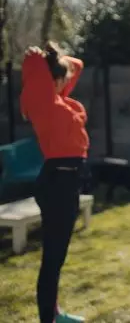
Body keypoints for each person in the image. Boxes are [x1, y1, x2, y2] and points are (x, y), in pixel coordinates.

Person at [20, 43, 88, 323]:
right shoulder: (43, 102)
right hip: (58, 181)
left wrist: (54, 57)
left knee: (56, 257)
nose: (67, 80)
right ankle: (48, 318)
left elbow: (78, 65)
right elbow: (37, 69)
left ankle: (54, 312)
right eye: (60, 77)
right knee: (52, 258)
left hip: (67, 181)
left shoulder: (59, 100)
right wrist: (39, 58)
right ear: (52, 81)